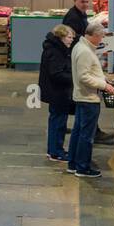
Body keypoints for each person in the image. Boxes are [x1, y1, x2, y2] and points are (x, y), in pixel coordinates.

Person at [68, 20, 112, 179]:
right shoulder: (85, 52)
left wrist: (103, 78)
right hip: (88, 98)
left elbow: (87, 72)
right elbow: (84, 76)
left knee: (78, 132)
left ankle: (73, 163)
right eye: (100, 37)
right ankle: (83, 167)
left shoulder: (81, 47)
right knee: (87, 135)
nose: (101, 40)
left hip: (82, 96)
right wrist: (103, 85)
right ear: (93, 36)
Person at [39, 24, 76, 164]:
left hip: (55, 92)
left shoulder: (54, 48)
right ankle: (56, 152)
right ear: (61, 37)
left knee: (56, 121)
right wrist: (75, 78)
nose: (71, 40)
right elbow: (56, 74)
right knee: (58, 123)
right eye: (69, 37)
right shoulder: (56, 52)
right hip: (58, 93)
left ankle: (54, 150)